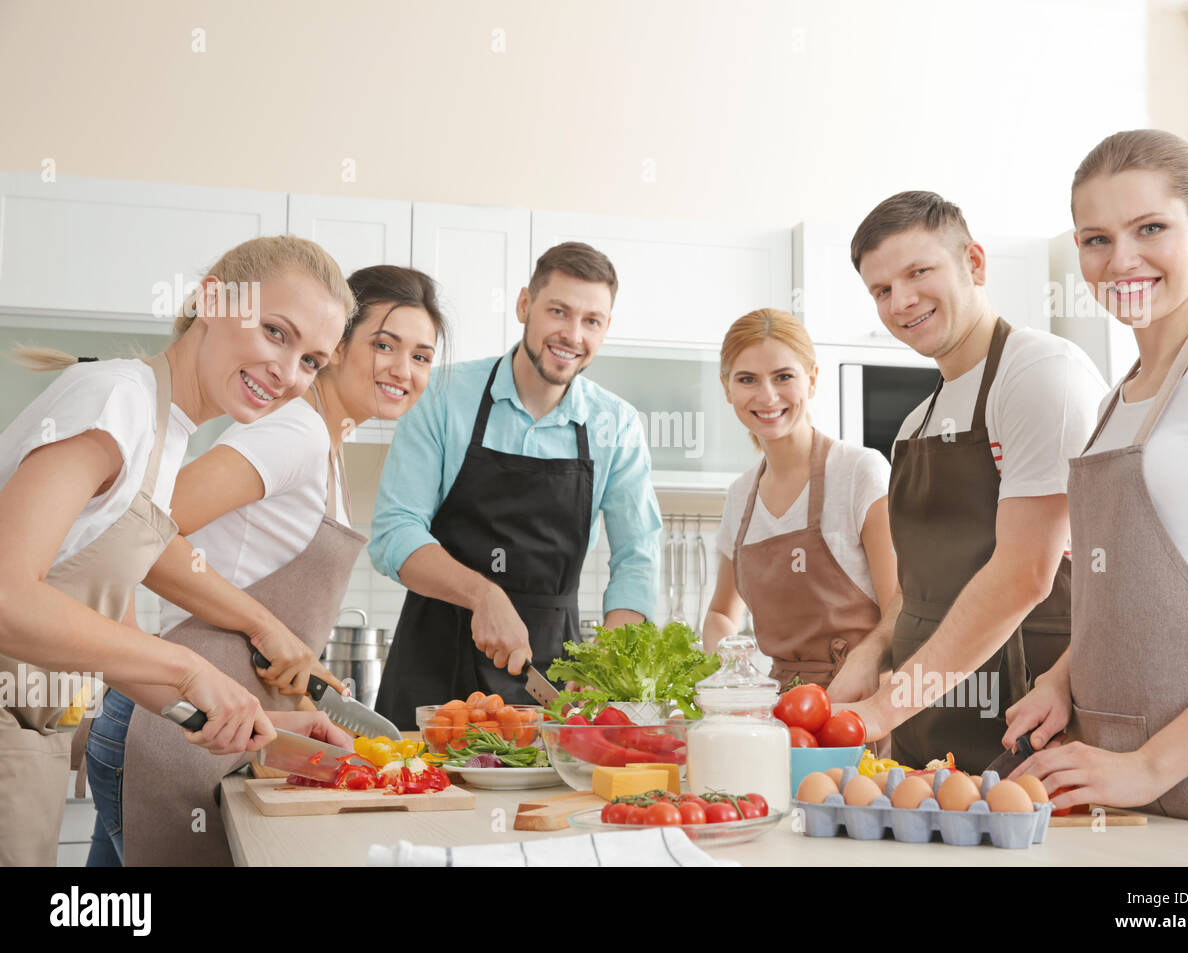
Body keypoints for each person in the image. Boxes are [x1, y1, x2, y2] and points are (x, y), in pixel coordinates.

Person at [0, 235, 354, 866]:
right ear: (213, 299)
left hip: (34, 735)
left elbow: (108, 637)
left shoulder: (164, 441)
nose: (288, 371)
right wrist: (190, 670)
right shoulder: (118, 399)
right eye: (276, 331)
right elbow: (6, 595)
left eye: (312, 361)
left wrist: (262, 731)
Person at [88, 265, 445, 865]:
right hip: (172, 723)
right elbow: (138, 533)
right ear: (335, 349)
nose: (402, 369)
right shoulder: (295, 433)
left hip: (199, 728)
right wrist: (266, 626)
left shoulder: (326, 447)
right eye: (383, 345)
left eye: (421, 355)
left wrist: (308, 694)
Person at [1006, 130, 1188, 838]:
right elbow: (1126, 589)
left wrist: (1149, 765)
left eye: (1150, 229)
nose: (1121, 260)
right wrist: (1062, 679)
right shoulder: (1117, 402)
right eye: (1095, 239)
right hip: (1117, 787)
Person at [828, 191, 1108, 772]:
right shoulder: (916, 422)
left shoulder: (1038, 373)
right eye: (881, 290)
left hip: (1026, 724)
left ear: (974, 264)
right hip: (923, 730)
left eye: (918, 272)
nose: (901, 301)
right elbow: (919, 585)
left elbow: (1025, 576)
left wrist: (886, 705)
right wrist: (873, 652)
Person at [370, 242, 661, 724]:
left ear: (606, 329)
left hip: (550, 675)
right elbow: (394, 532)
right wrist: (483, 595)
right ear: (525, 305)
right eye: (558, 311)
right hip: (432, 664)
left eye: (592, 321)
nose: (572, 334)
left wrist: (607, 662)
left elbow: (638, 557)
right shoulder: (442, 395)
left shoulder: (618, 425)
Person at [702, 309, 896, 690]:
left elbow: (901, 612)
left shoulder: (859, 472)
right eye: (747, 379)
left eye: (783, 376)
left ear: (811, 380)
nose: (767, 395)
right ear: (727, 388)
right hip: (779, 711)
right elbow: (721, 613)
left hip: (859, 706)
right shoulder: (741, 495)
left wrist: (867, 687)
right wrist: (731, 678)